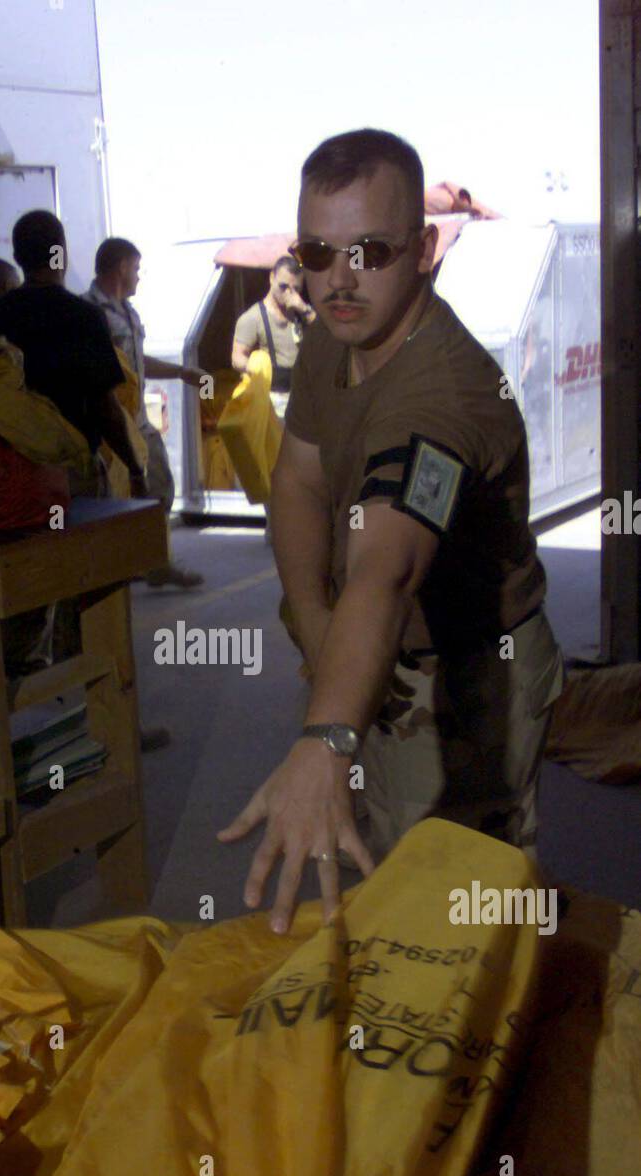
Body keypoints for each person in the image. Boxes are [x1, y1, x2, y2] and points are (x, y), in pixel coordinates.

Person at [218, 127, 564, 935]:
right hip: (372, 657)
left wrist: (326, 737)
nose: (340, 279)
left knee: (451, 921)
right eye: (317, 251)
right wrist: (317, 635)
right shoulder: (337, 342)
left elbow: (386, 570)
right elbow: (298, 480)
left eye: (370, 251)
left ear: (426, 248)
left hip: (466, 677)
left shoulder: (441, 399)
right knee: (376, 889)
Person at [0, 210, 147, 502]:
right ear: (60, 253)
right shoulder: (84, 317)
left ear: (18, 257)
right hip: (71, 473)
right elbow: (105, 407)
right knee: (80, 546)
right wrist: (135, 469)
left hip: (11, 476)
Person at [84, 236, 204, 589]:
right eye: (136, 268)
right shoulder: (89, 312)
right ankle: (125, 567)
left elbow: (138, 364)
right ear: (121, 267)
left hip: (137, 421)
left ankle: (152, 560)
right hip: (110, 421)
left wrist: (181, 372)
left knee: (160, 486)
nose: (139, 276)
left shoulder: (128, 312)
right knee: (113, 497)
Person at [232, 256, 315, 420]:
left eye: (295, 289)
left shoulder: (302, 312)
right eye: (283, 286)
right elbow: (237, 357)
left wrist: (304, 309)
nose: (288, 293)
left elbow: (327, 335)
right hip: (275, 399)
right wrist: (257, 369)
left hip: (305, 396)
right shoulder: (252, 317)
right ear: (271, 278)